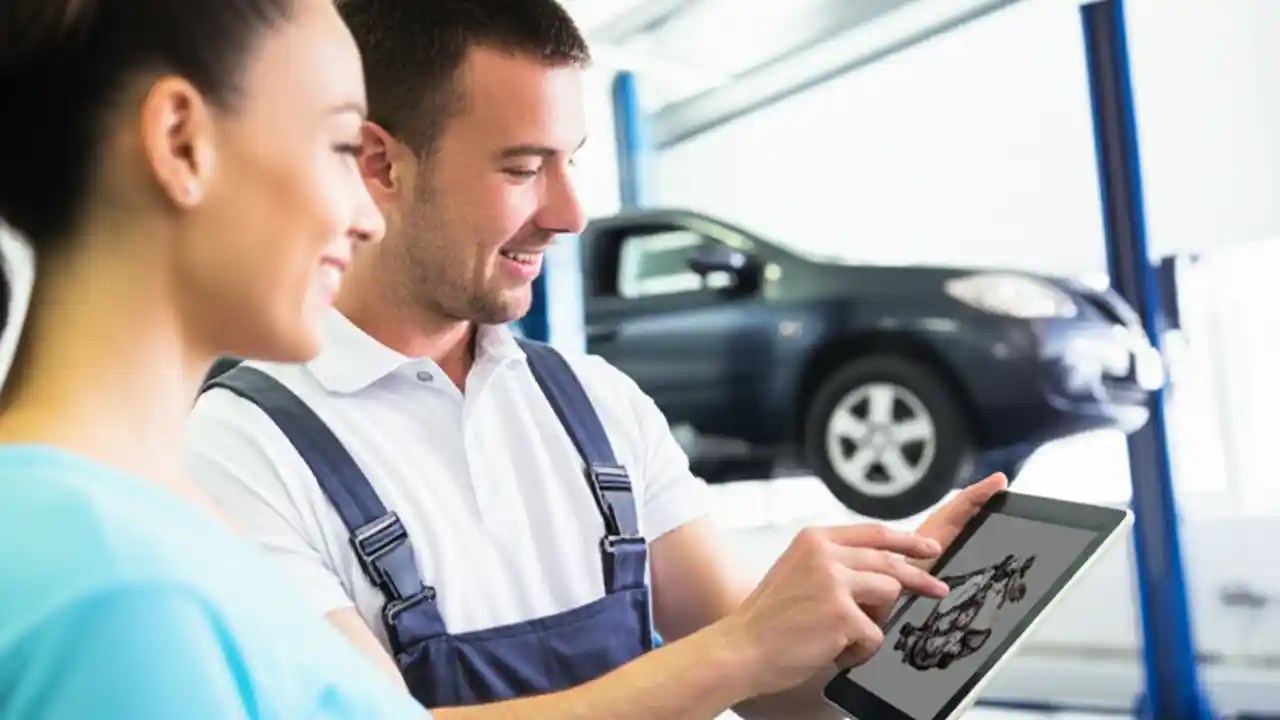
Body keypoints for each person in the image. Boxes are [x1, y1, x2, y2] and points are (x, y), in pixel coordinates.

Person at [185, 1, 1009, 718]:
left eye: (570, 160)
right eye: (522, 167)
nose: (572, 214)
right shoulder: (236, 452)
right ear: (381, 165)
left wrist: (898, 634)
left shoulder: (596, 406)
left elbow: (776, 694)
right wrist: (744, 650)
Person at [0, 0, 431, 717]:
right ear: (181, 142)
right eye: (341, 149)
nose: (369, 217)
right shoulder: (119, 587)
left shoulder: (141, 519)